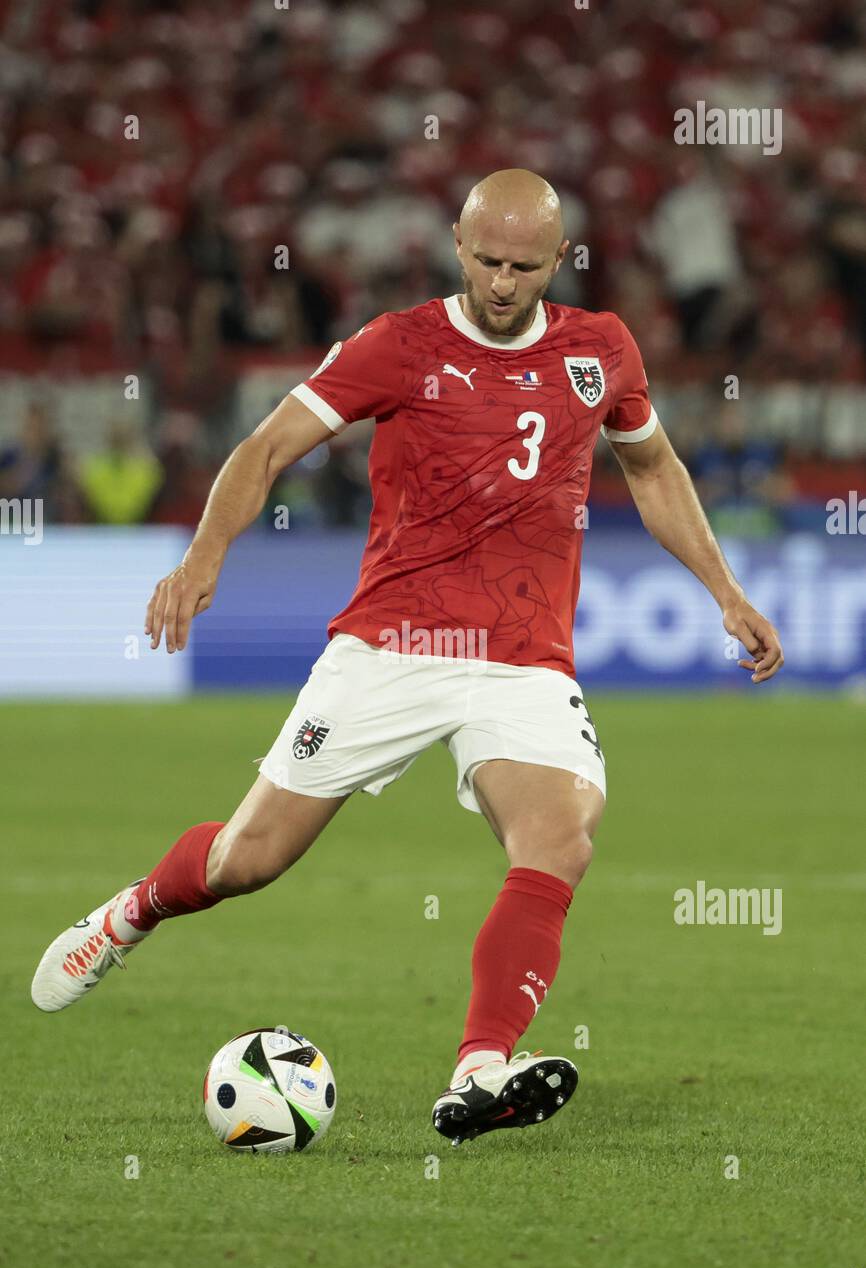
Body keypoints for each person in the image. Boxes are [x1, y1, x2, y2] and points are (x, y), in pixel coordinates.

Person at [31, 169, 784, 1148]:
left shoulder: (599, 351)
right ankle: (133, 911)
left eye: (523, 265)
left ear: (559, 259)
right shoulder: (400, 345)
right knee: (247, 860)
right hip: (393, 643)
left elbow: (649, 467)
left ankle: (480, 1068)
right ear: (456, 247)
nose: (503, 282)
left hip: (521, 656)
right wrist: (203, 554)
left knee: (559, 836)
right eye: (485, 260)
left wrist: (724, 591)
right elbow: (263, 449)